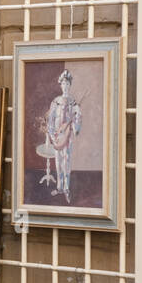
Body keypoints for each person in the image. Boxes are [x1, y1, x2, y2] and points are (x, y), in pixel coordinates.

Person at [45, 69, 82, 202]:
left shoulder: (73, 103)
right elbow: (50, 120)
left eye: (67, 84)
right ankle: (59, 186)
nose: (65, 86)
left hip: (67, 138)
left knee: (66, 161)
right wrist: (52, 135)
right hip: (57, 136)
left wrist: (77, 116)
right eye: (63, 84)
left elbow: (77, 121)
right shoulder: (55, 102)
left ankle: (67, 188)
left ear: (70, 85)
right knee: (58, 161)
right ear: (60, 85)